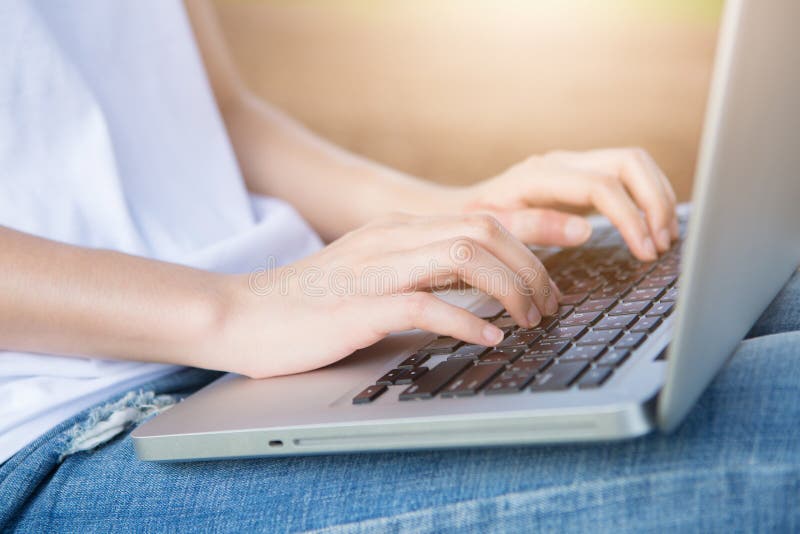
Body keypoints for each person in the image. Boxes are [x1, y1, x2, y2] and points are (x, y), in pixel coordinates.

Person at [1, 1, 797, 531]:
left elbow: (215, 115)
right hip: (74, 424)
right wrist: (233, 310)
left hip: (300, 337)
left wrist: (455, 213)